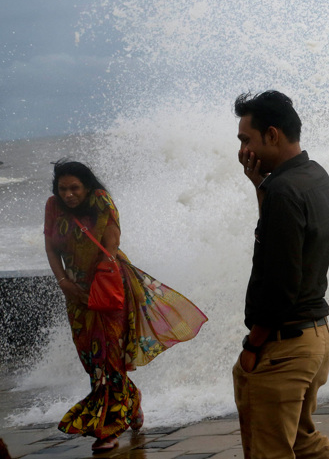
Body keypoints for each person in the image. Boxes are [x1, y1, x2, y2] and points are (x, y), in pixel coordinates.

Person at [44, 160, 207, 453]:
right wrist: (63, 282)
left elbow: (112, 244)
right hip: (75, 292)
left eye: (74, 188)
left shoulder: (101, 201)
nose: (68, 194)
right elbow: (51, 247)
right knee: (91, 360)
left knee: (109, 358)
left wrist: (96, 285)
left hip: (107, 285)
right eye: (63, 188)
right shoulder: (53, 207)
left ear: (87, 186)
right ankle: (131, 400)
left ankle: (108, 428)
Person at [232, 91, 329, 459]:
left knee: (270, 452)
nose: (241, 151)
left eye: (245, 140)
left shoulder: (282, 190)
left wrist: (253, 346)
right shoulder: (313, 174)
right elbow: (288, 241)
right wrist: (260, 187)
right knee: (303, 442)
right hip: (315, 336)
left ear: (272, 135)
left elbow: (281, 284)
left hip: (285, 345)